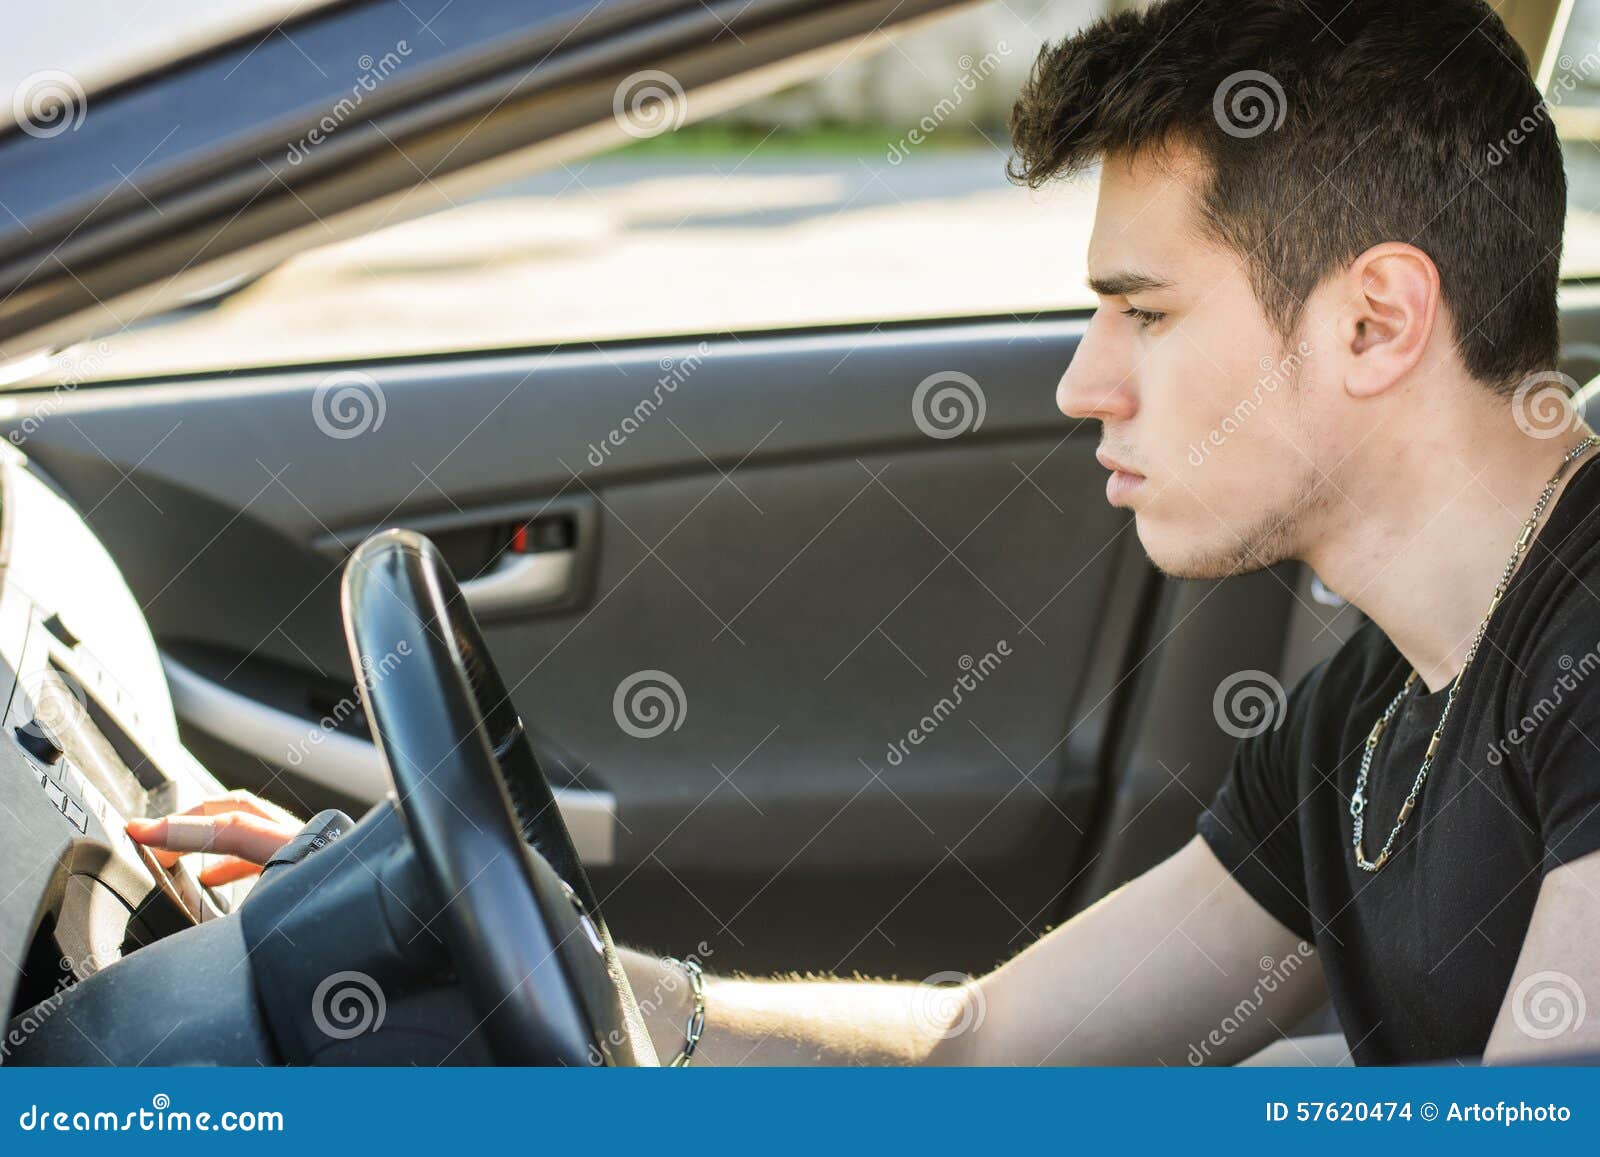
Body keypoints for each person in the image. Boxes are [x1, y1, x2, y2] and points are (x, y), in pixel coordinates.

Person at [129, 0, 1600, 1065]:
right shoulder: (1376, 711)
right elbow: (991, 1039)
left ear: (1375, 319)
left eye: (1144, 312)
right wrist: (590, 983)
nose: (1088, 383)